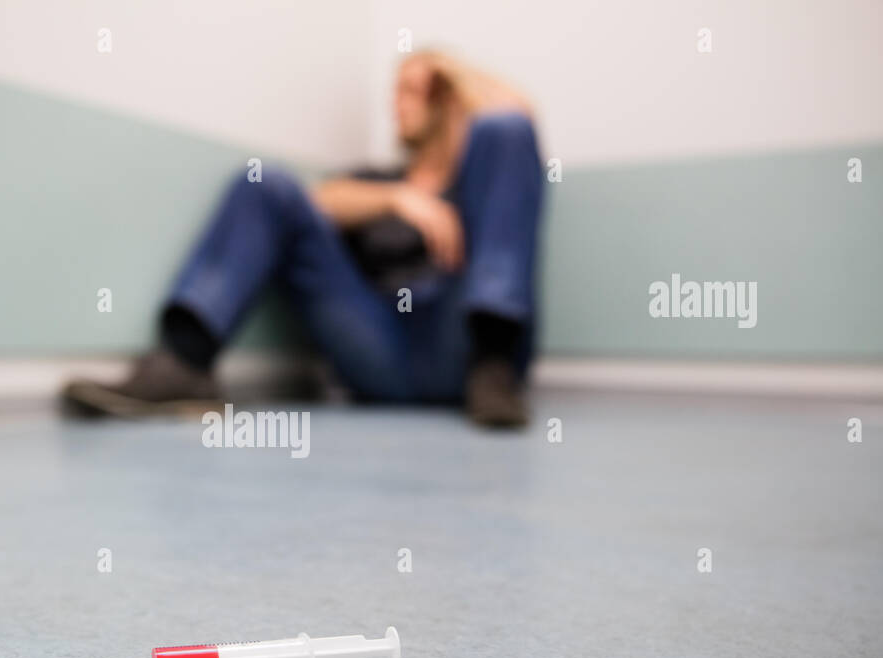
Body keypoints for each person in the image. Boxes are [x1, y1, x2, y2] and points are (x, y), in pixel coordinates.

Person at [62, 50, 543, 428]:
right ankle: (183, 362)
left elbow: (519, 121)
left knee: (505, 129)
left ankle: (494, 360)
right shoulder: (373, 181)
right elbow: (314, 202)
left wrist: (451, 74)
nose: (400, 100)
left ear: (448, 97)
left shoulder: (479, 176)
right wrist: (398, 198)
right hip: (378, 347)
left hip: (461, 342)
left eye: (419, 89)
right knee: (264, 183)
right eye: (395, 89)